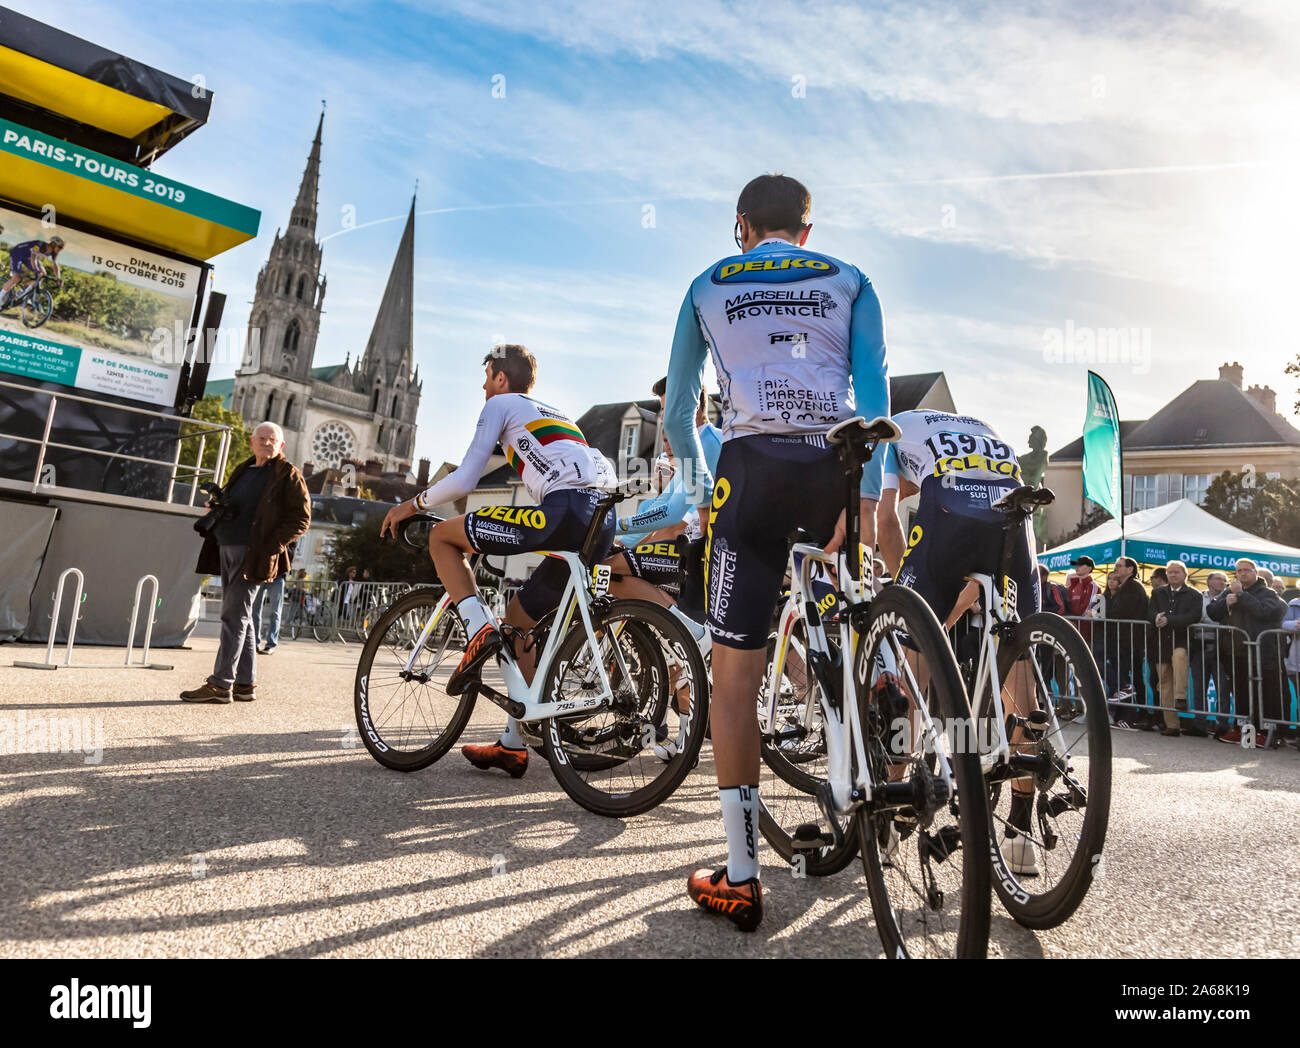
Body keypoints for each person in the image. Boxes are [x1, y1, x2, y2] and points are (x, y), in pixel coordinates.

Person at [665, 173, 889, 930]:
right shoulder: (850, 279)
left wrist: (698, 496)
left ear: (741, 226)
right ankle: (872, 766)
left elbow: (677, 411)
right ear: (806, 229)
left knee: (734, 678)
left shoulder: (706, 283)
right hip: (834, 464)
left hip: (750, 473)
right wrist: (866, 495)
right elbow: (874, 392)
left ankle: (740, 875)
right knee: (850, 635)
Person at [381, 344, 617, 778]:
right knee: (519, 620)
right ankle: (514, 741)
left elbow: (466, 477)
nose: (483, 385)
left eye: (487, 376)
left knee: (441, 536)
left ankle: (478, 631)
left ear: (501, 379)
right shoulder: (554, 412)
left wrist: (410, 506)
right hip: (602, 519)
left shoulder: (501, 404)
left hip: (562, 513)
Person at [877, 409, 1041, 874]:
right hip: (1015, 514)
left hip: (950, 513)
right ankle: (1019, 834)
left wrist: (903, 597)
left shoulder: (893, 430)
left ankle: (893, 805)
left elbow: (886, 519)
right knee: (1019, 664)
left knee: (914, 669)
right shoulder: (981, 428)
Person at [181, 422, 311, 702]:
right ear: (252, 442)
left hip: (254, 554)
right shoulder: (243, 469)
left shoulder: (287, 474)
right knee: (245, 616)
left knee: (233, 615)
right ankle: (244, 684)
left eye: (271, 439)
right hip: (226, 547)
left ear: (281, 445)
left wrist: (271, 545)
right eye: (261, 438)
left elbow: (302, 519)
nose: (266, 443)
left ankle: (220, 684)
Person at [1207, 558, 1287, 746]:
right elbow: (1212, 612)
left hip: (1261, 653)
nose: (1242, 574)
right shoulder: (1230, 591)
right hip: (1235, 653)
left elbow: (1264, 612)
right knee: (1241, 693)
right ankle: (1242, 730)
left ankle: (1266, 732)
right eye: (1239, 571)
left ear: (1255, 572)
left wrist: (1242, 596)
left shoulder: (1268, 593)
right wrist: (1226, 602)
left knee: (1265, 694)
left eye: (1246, 570)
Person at [1147, 561, 1203, 737]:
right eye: (1170, 572)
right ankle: (1171, 725)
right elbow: (1149, 612)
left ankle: (1180, 698)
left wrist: (1169, 620)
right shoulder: (1157, 593)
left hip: (1182, 640)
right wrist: (1155, 618)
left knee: (1179, 657)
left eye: (1176, 572)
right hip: (1161, 642)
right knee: (1163, 682)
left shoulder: (1194, 594)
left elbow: (1194, 616)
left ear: (1184, 574)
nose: (1172, 575)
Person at [1105, 558, 1151, 730]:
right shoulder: (1125, 587)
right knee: (1126, 681)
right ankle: (1128, 716)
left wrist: (1104, 614)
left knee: (1130, 681)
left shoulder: (1133, 586)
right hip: (1123, 640)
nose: (1116, 569)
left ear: (1130, 569)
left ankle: (1135, 717)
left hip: (1130, 641)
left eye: (1119, 566)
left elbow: (1121, 612)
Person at [1189, 571, 1229, 736]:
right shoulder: (1198, 597)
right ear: (1209, 581)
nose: (1222, 582)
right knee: (1199, 688)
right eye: (1218, 579)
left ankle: (1223, 726)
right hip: (1199, 645)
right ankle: (1200, 725)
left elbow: (1219, 620)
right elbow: (1195, 617)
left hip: (1221, 647)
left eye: (1224, 580)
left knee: (1222, 689)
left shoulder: (1228, 597)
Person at [252, 540, 294, 655]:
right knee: (255, 611)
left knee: (275, 612)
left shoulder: (289, 534)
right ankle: (254, 642)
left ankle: (271, 644)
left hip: (278, 576)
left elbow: (290, 556)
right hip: (260, 574)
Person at [2, 235, 64, 308]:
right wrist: (36, 270)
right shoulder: (39, 244)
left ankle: (22, 293)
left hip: (28, 257)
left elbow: (55, 265)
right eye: (59, 247)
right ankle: (0, 297)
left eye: (62, 248)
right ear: (53, 244)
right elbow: (33, 258)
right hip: (17, 253)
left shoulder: (54, 253)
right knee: (16, 278)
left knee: (43, 274)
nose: (60, 249)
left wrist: (58, 278)